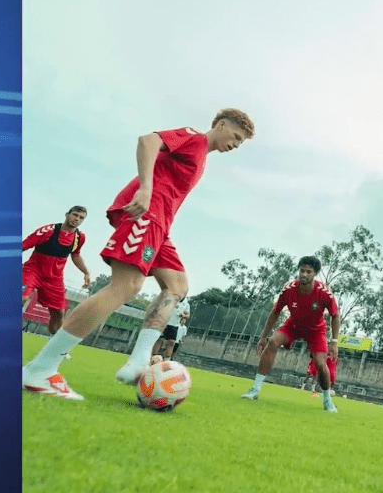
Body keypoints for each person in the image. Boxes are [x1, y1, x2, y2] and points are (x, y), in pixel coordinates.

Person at [21, 109, 256, 400]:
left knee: (177, 287)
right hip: (147, 213)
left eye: (241, 142)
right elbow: (148, 140)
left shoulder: (201, 157)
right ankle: (41, 369)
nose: (236, 145)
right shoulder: (194, 138)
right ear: (221, 125)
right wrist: (145, 189)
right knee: (125, 286)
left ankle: (139, 360)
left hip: (160, 225)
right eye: (235, 136)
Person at [242, 256, 340, 413]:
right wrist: (263, 336)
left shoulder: (324, 292)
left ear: (315, 274)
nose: (304, 275)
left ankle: (327, 400)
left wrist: (334, 341)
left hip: (316, 330)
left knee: (320, 364)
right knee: (273, 342)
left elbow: (335, 315)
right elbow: (275, 311)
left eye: (308, 272)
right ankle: (255, 389)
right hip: (293, 325)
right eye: (302, 271)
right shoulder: (289, 289)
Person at [21, 206, 91, 335]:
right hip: (33, 271)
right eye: (75, 215)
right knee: (22, 298)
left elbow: (75, 255)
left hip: (54, 278)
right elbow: (23, 245)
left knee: (59, 313)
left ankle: (55, 347)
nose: (77, 219)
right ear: (66, 215)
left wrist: (86, 272)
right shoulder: (48, 230)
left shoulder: (79, 237)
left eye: (81, 218)